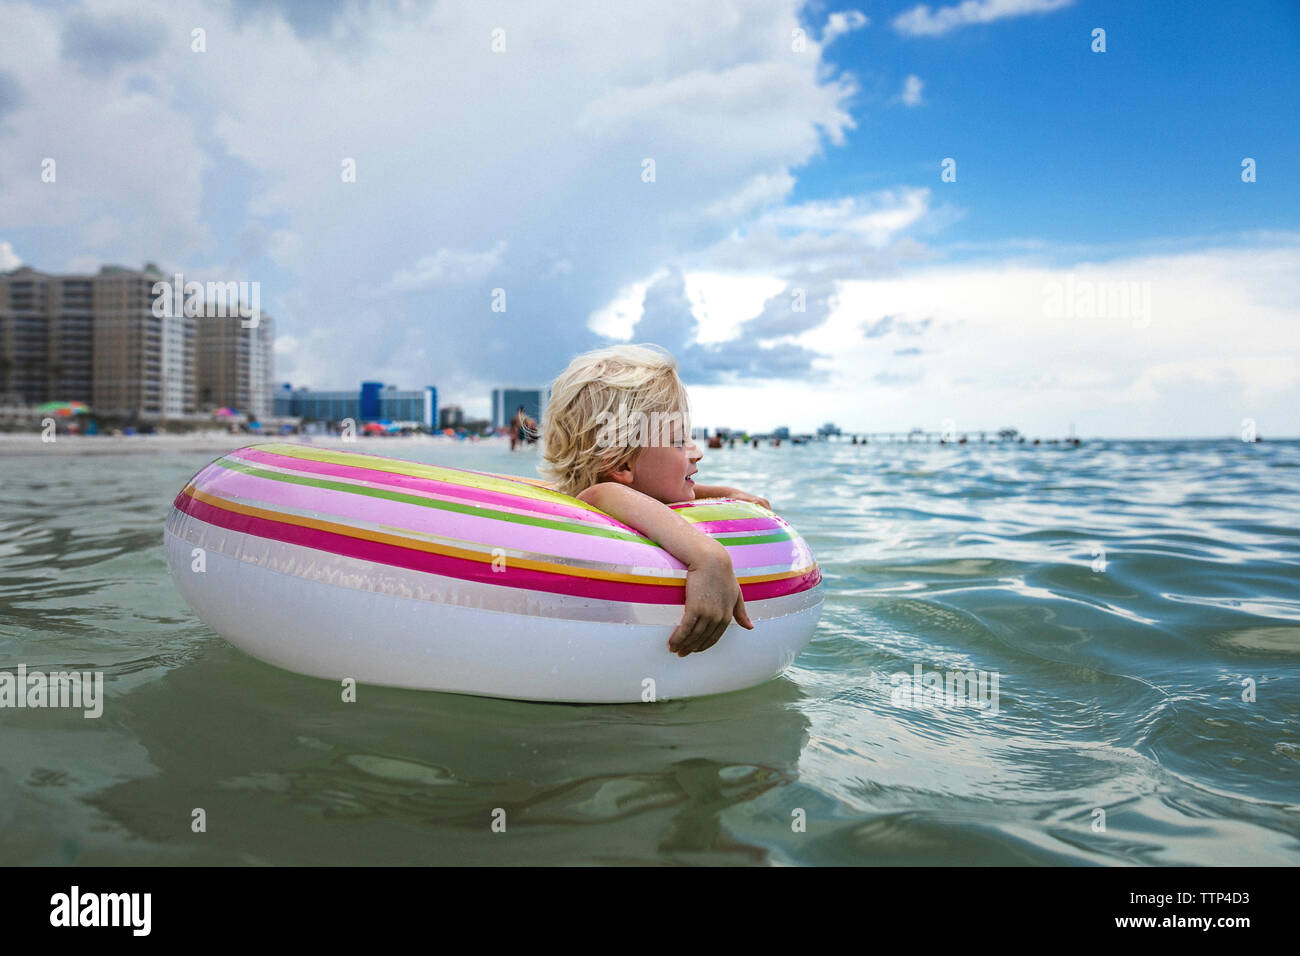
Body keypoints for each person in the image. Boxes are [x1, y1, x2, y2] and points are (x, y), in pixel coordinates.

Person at [539, 343, 771, 658]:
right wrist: (709, 557)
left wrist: (727, 494)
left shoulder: (624, 491)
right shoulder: (597, 499)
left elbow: (644, 496)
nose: (696, 451)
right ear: (622, 466)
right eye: (679, 441)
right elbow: (603, 495)